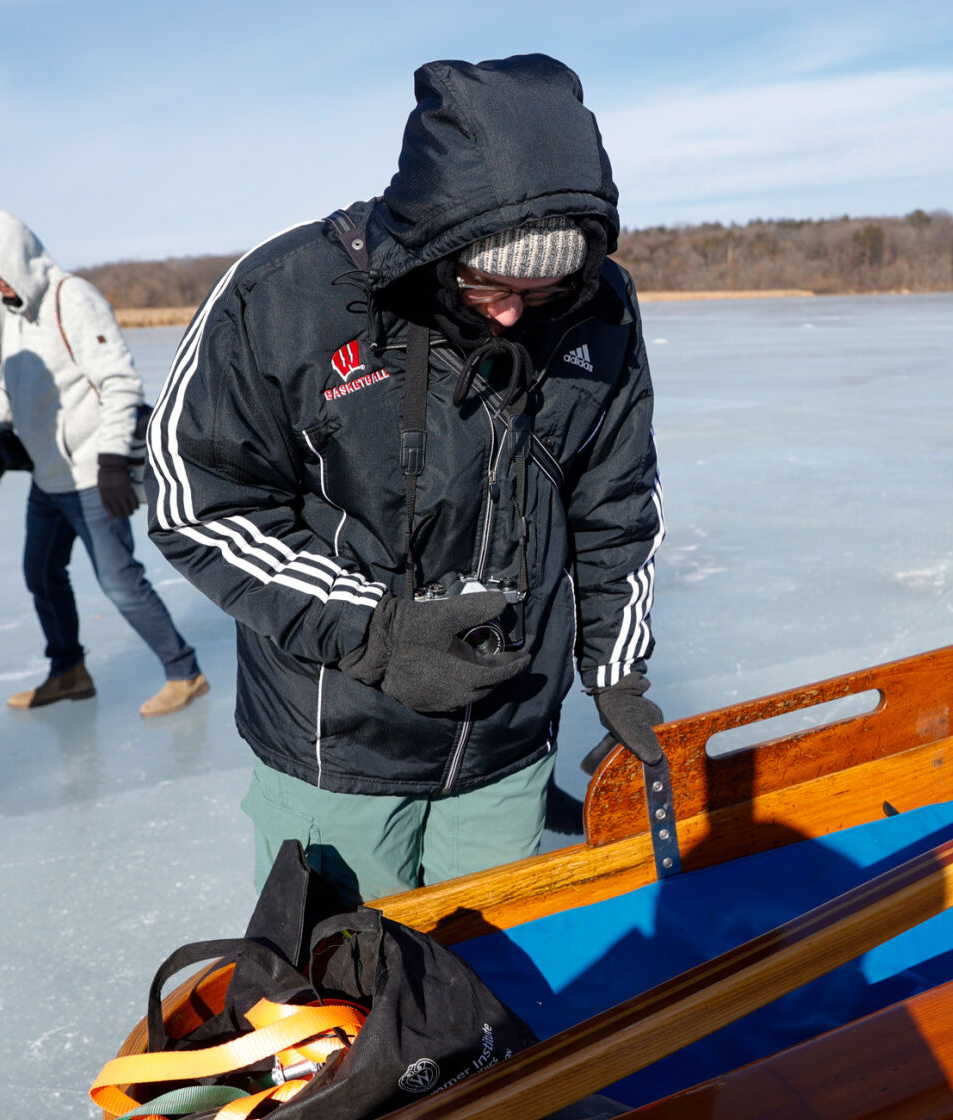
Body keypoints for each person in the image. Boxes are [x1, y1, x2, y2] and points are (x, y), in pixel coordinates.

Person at [148, 54, 666, 900]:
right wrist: (376, 632)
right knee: (343, 986)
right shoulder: (284, 299)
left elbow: (615, 502)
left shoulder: (598, 308)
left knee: (485, 978)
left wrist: (615, 672)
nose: (508, 314)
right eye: (486, 285)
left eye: (540, 295)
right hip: (339, 742)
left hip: (508, 735)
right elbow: (198, 503)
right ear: (435, 239)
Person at [0, 210, 208, 717]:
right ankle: (68, 671)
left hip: (91, 472)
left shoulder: (75, 298)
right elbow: (6, 381)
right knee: (41, 574)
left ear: (16, 260)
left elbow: (120, 382)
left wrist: (112, 460)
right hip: (49, 476)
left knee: (119, 581)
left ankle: (184, 673)